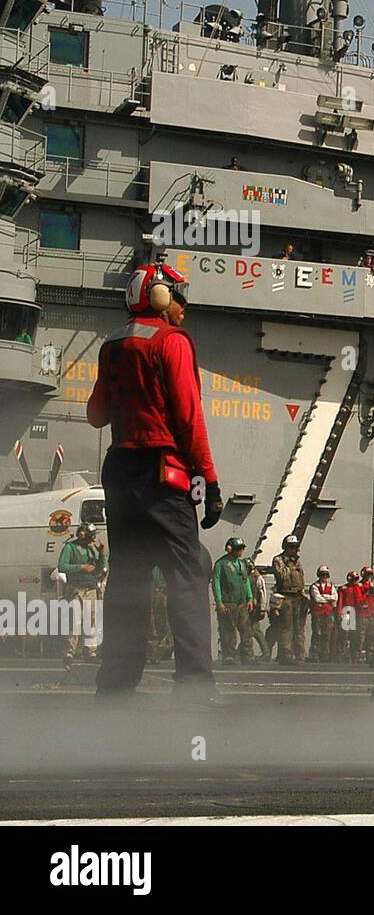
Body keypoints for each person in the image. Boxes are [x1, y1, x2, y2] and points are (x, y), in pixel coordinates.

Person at [87, 262, 225, 705]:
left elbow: (96, 415)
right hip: (162, 475)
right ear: (161, 298)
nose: (183, 305)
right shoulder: (172, 342)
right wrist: (210, 479)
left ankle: (115, 687)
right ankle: (195, 686)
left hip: (119, 473)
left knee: (128, 580)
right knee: (186, 575)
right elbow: (189, 417)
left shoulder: (111, 345)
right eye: (178, 296)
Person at [56, 523, 106, 664]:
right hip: (75, 588)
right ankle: (69, 652)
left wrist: (101, 554)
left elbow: (102, 569)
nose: (92, 539)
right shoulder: (70, 548)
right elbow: (62, 566)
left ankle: (90, 652)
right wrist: (81, 567)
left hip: (90, 589)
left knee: (91, 621)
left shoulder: (92, 550)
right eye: (90, 536)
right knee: (74, 621)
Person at [212, 536, 255, 665]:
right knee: (228, 631)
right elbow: (216, 583)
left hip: (241, 603)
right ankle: (229, 656)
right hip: (228, 603)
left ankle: (247, 656)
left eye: (241, 549)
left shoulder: (242, 564)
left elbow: (246, 580)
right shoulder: (221, 564)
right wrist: (219, 601)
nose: (240, 551)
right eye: (238, 549)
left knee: (246, 630)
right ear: (230, 549)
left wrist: (250, 598)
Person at [271, 534, 307, 666]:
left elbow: (301, 578)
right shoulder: (278, 560)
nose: (294, 549)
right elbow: (282, 576)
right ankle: (286, 654)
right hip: (285, 596)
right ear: (286, 547)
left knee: (299, 628)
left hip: (298, 597)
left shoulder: (298, 561)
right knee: (287, 627)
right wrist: (289, 563)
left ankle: (300, 655)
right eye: (291, 547)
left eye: (296, 547)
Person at [308, 565, 338, 662]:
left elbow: (335, 597)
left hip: (328, 613)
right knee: (317, 634)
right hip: (317, 613)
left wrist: (324, 597)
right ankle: (314, 654)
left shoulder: (331, 586)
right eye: (322, 574)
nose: (324, 576)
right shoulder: (314, 586)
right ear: (319, 575)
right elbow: (317, 598)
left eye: (326, 575)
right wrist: (328, 598)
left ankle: (325, 655)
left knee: (327, 634)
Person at [337, 571, 364, 663]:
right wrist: (340, 612)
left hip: (357, 612)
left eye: (356, 579)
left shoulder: (360, 587)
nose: (355, 581)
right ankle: (343, 655)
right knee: (345, 635)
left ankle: (355, 656)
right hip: (347, 612)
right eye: (354, 579)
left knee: (356, 635)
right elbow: (340, 601)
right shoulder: (343, 588)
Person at [356, 565, 374, 664]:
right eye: (367, 574)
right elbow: (358, 600)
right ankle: (359, 656)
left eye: (370, 575)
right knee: (361, 636)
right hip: (362, 614)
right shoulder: (359, 586)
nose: (368, 577)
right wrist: (366, 593)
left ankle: (370, 655)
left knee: (372, 636)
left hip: (372, 614)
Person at [247, 564, 269, 659]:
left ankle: (265, 652)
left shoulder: (258, 579)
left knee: (253, 630)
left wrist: (262, 608)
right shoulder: (248, 577)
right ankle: (265, 652)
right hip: (249, 607)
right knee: (252, 630)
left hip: (255, 608)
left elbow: (263, 594)